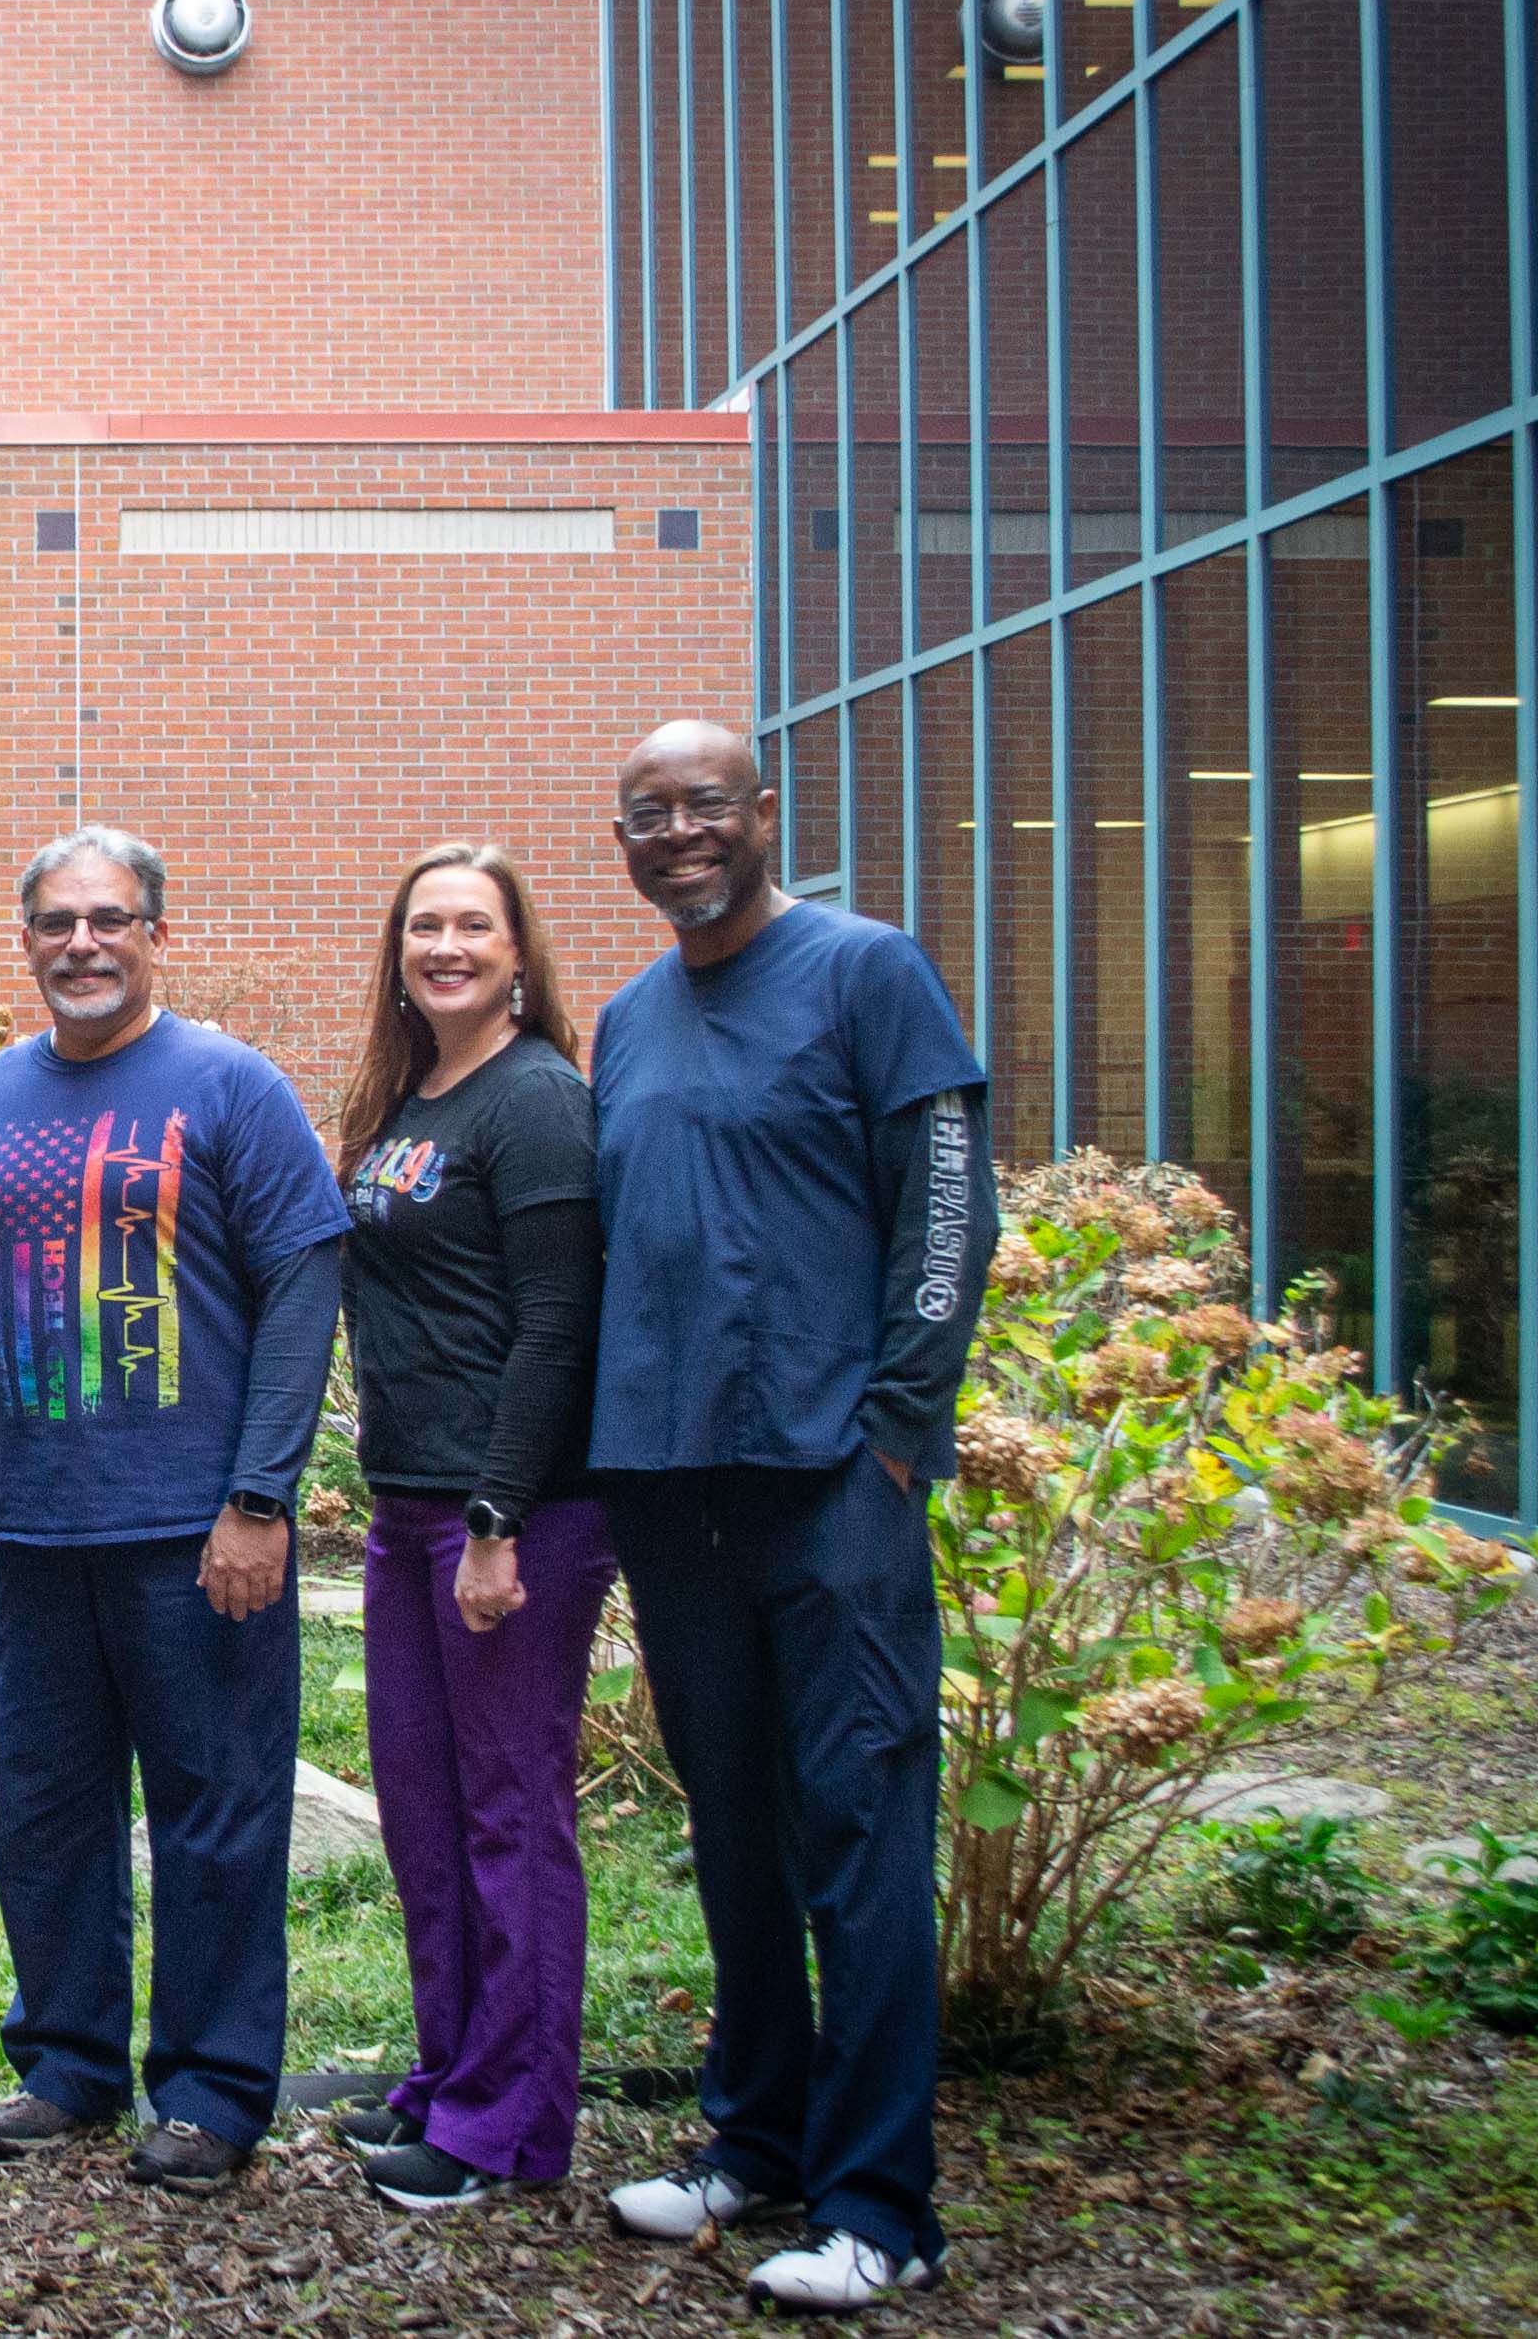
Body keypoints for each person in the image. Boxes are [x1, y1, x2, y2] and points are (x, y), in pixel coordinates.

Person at [584, 721, 996, 2315]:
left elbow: (947, 1200)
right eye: (645, 816)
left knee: (856, 1828)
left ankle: (880, 2203)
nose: (675, 833)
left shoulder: (866, 971)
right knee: (734, 1825)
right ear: (618, 845)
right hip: (670, 1484)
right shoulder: (628, 1016)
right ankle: (748, 2140)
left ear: (762, 815)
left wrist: (898, 1434)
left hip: (831, 1479)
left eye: (701, 806)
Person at [0, 826, 351, 2196]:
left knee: (214, 1812)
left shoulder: (228, 1087)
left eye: (109, 919)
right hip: (39, 1534)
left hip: (196, 1536)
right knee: (43, 1810)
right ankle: (67, 2065)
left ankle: (210, 2092)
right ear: (22, 942)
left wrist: (259, 1497)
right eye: (55, 922)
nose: (81, 942)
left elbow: (303, 1287)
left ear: (158, 933)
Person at [324, 843, 614, 2213]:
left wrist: (497, 1515)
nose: (443, 945)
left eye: (470, 926)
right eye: (422, 926)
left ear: (515, 952)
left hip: (513, 1516)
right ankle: (449, 2076)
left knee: (508, 1816)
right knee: (425, 1814)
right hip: (408, 1507)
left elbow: (556, 1324)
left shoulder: (537, 1099)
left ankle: (511, 2122)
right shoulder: (414, 1100)